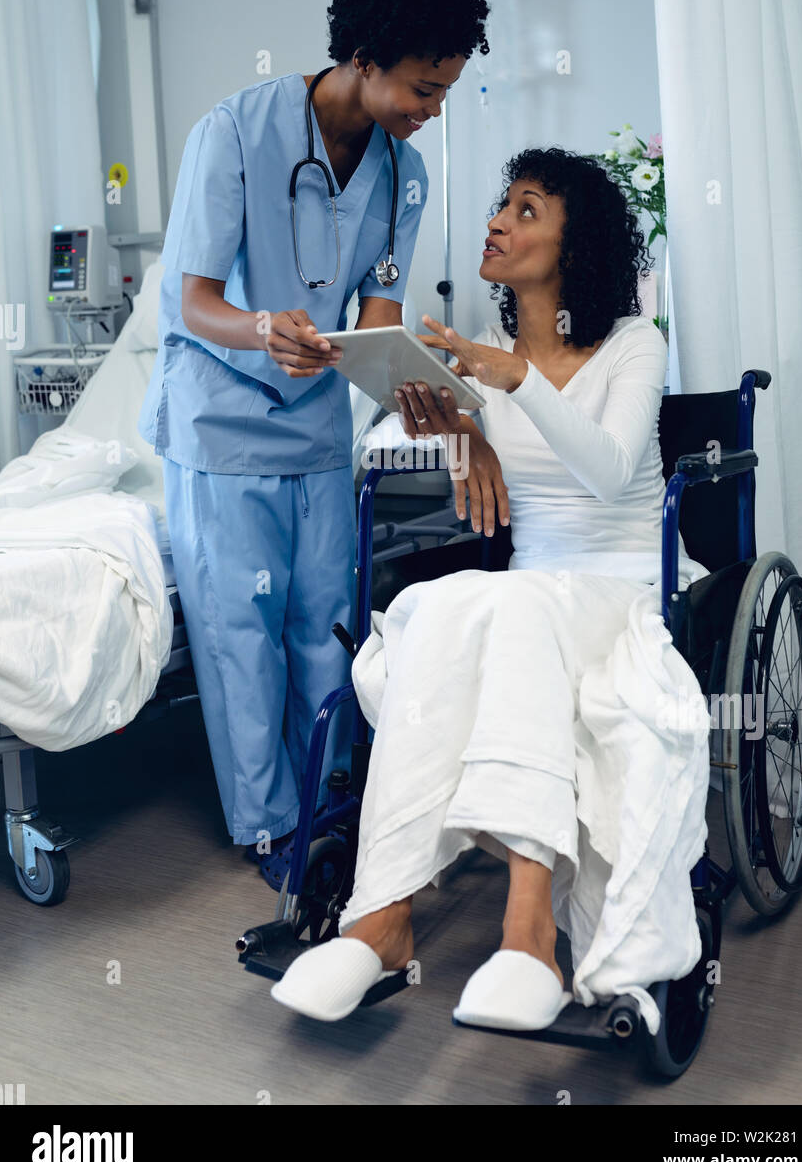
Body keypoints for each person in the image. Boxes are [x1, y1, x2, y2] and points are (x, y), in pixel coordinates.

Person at [269, 147, 709, 1028]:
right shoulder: (480, 357)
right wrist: (448, 427)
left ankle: (528, 931)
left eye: (527, 209)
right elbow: (373, 454)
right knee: (435, 603)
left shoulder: (633, 345)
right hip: (534, 593)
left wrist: (515, 381)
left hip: (623, 588)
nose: (498, 221)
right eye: (500, 205)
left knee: (511, 600)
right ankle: (381, 915)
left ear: (574, 245)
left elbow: (609, 472)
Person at [138, 0, 489, 884]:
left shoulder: (403, 178)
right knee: (241, 633)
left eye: (446, 91)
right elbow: (191, 301)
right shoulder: (233, 133)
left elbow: (375, 318)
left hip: (315, 428)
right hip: (220, 418)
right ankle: (268, 832)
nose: (432, 110)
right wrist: (263, 328)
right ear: (366, 59)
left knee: (327, 620)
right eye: (423, 88)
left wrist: (406, 385)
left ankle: (327, 813)